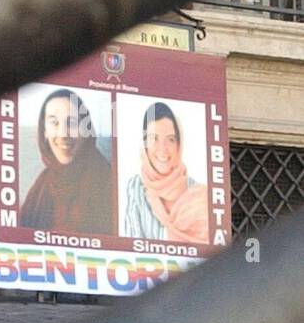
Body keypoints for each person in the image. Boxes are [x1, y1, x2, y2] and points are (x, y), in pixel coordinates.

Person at [18, 88, 114, 235]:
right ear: (44, 131)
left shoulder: (106, 181)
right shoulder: (42, 185)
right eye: (54, 123)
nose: (63, 133)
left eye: (72, 123)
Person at [122, 101, 209, 243]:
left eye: (170, 139)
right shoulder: (136, 186)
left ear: (179, 144)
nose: (162, 149)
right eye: (153, 138)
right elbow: (132, 244)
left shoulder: (201, 196)